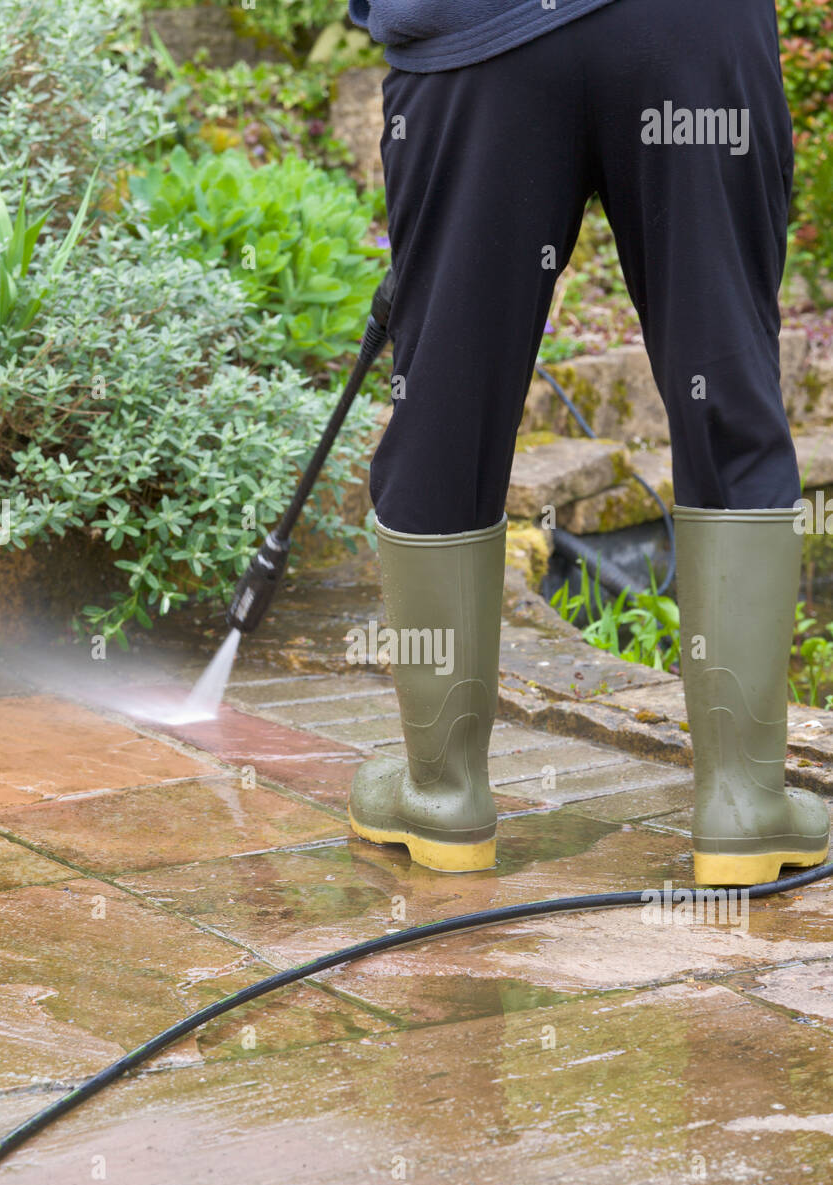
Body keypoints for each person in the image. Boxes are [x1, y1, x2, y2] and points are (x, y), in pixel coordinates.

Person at [345, 0, 830, 887]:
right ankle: (744, 806)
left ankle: (445, 793)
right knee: (725, 382)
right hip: (693, 30)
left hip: (474, 40)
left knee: (448, 400)